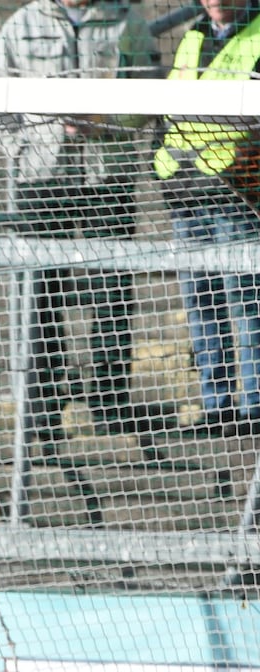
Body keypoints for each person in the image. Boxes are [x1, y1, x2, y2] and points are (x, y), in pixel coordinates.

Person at [0, 0, 158, 443]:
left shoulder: (126, 21)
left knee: (113, 293)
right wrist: (20, 147)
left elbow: (152, 93)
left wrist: (106, 122)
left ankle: (111, 405)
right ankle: (42, 410)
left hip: (108, 177)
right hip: (43, 178)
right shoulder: (22, 23)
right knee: (40, 292)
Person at [154, 0, 260, 435]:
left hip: (236, 190)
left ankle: (254, 407)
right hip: (187, 190)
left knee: (246, 301)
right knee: (201, 301)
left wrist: (237, 159)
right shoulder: (193, 37)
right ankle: (215, 406)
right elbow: (170, 110)